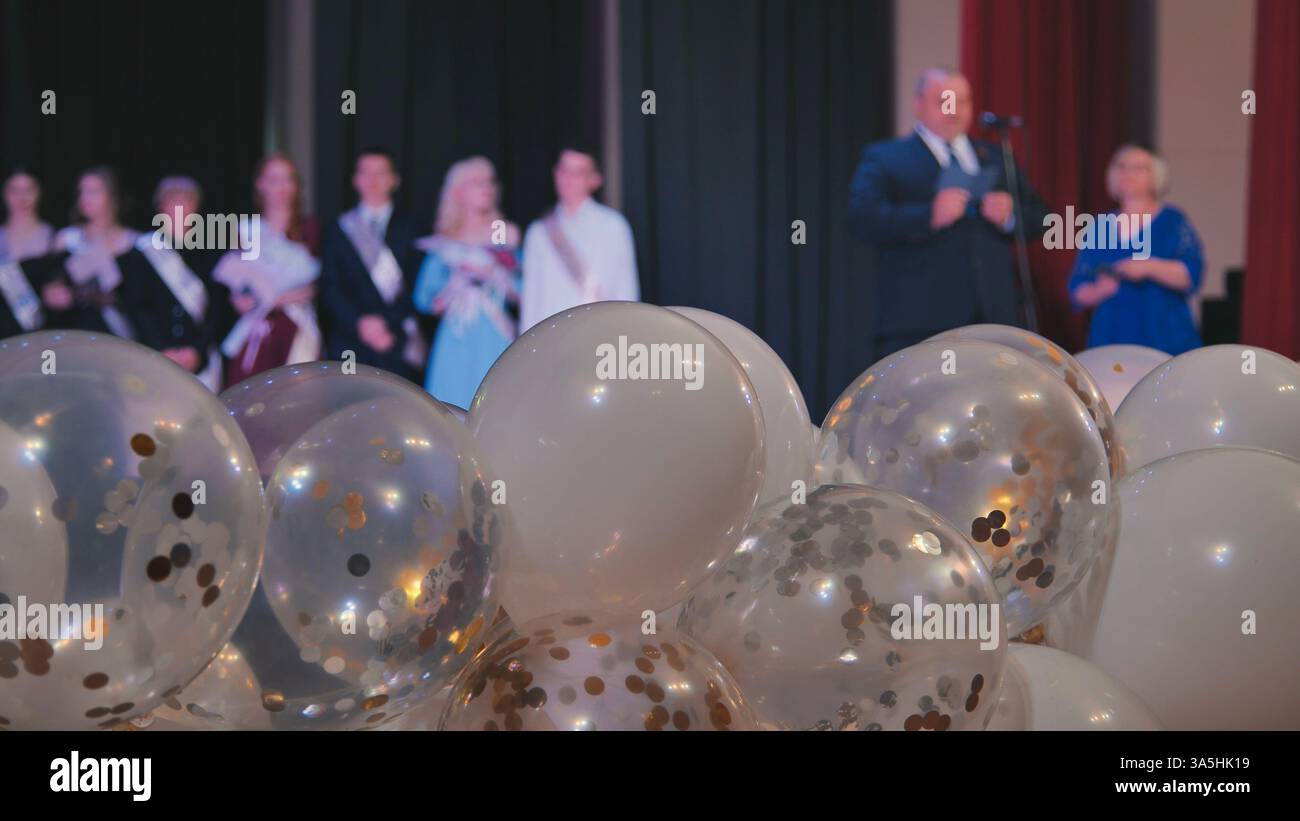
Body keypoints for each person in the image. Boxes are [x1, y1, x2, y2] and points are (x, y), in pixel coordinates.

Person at [848, 67, 1049, 360]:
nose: (954, 110)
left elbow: (1040, 216)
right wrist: (927, 216)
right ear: (919, 104)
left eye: (962, 101)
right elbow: (861, 218)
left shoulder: (995, 154)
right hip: (920, 319)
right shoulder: (886, 157)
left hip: (993, 318)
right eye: (943, 101)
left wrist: (1010, 216)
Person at [1068, 145, 1204, 355]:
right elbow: (1077, 288)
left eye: (1139, 168)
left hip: (1164, 338)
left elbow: (1192, 273)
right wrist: (1099, 290)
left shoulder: (1172, 221)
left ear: (1155, 177)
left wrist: (1149, 267)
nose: (1128, 174)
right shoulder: (1100, 226)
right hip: (1111, 339)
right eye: (1122, 167)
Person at [413, 157, 522, 409]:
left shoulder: (504, 234)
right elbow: (425, 299)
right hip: (456, 336)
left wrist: (495, 276)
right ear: (458, 192)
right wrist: (457, 282)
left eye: (490, 182)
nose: (487, 188)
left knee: (497, 404)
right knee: (451, 408)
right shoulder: (445, 240)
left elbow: (523, 290)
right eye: (477, 183)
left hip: (495, 333)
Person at [318, 147, 424, 381]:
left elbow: (419, 286)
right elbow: (330, 287)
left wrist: (386, 323)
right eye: (366, 173)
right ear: (356, 180)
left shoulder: (414, 227)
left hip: (397, 342)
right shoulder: (339, 228)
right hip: (350, 343)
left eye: (380, 173)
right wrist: (360, 324)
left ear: (394, 180)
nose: (373, 180)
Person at [216, 154, 321, 386]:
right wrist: (239, 300)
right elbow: (235, 283)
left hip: (296, 327)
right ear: (260, 184)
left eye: (287, 179)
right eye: (274, 179)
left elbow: (320, 285)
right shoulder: (245, 230)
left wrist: (277, 298)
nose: (281, 187)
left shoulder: (310, 229)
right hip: (257, 328)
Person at [115, 176, 229, 390]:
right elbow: (137, 307)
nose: (180, 208)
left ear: (196, 208)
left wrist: (197, 351)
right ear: (160, 209)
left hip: (201, 361)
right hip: (154, 357)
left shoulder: (212, 253)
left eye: (187, 201)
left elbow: (217, 310)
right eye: (172, 202)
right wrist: (162, 349)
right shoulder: (141, 254)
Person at [520, 146, 639, 331]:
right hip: (550, 340)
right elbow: (530, 300)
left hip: (599, 335)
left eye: (578, 173)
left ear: (595, 180)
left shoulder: (613, 225)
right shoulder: (538, 232)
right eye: (564, 170)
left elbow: (626, 290)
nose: (568, 179)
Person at [45, 167, 140, 337]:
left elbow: (141, 300)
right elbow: (52, 288)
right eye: (81, 192)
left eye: (93, 191)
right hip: (75, 336)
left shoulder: (133, 242)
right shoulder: (66, 239)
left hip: (119, 339)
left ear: (113, 196)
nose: (85, 198)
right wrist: (56, 295)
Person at [0, 168, 55, 337]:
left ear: (39, 192)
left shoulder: (54, 238)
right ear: (4, 193)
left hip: (40, 336)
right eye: (14, 190)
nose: (21, 198)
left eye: (28, 190)